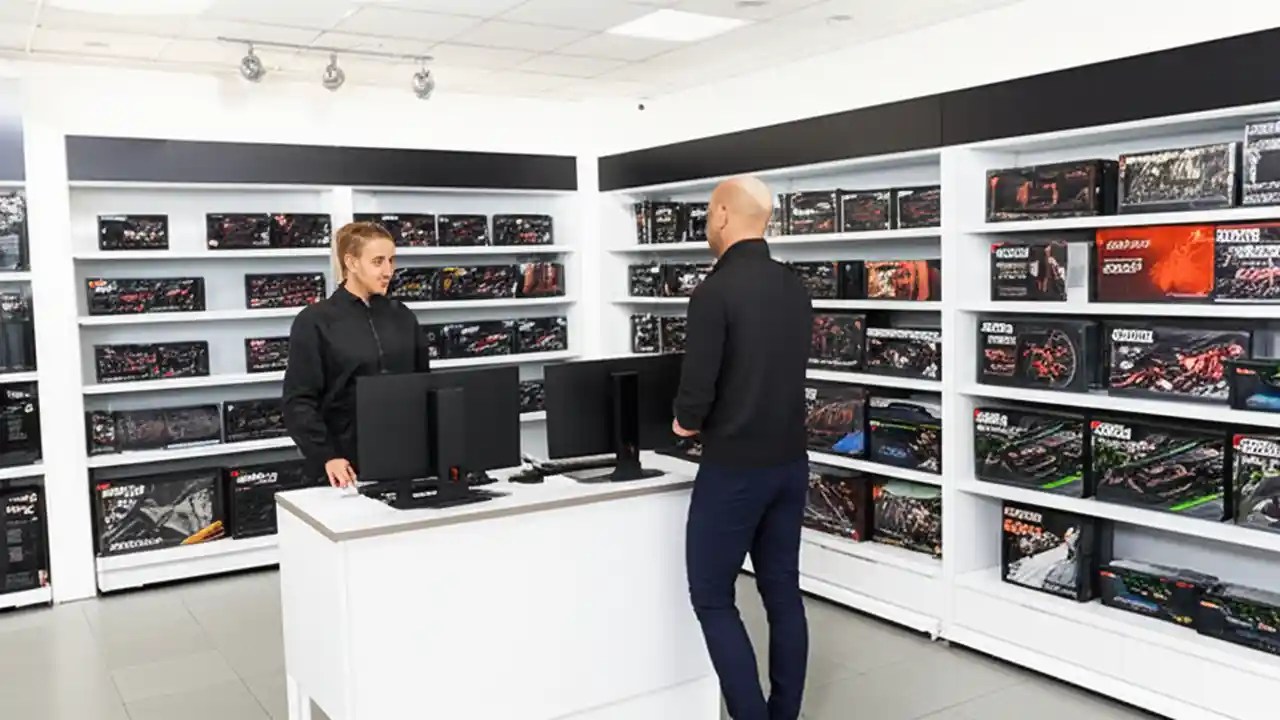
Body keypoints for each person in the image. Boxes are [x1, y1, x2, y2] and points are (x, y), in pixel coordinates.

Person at [673, 175, 813, 720]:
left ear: (725, 214)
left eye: (710, 210)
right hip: (790, 464)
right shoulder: (794, 286)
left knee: (712, 596)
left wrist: (684, 424)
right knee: (782, 592)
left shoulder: (714, 293)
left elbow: (694, 402)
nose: (709, 221)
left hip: (733, 470)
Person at [282, 221, 431, 488]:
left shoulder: (403, 316)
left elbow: (424, 384)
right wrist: (328, 456)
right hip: (344, 467)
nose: (388, 271)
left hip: (405, 460)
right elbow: (299, 401)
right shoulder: (315, 321)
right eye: (378, 261)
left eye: (391, 260)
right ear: (351, 263)